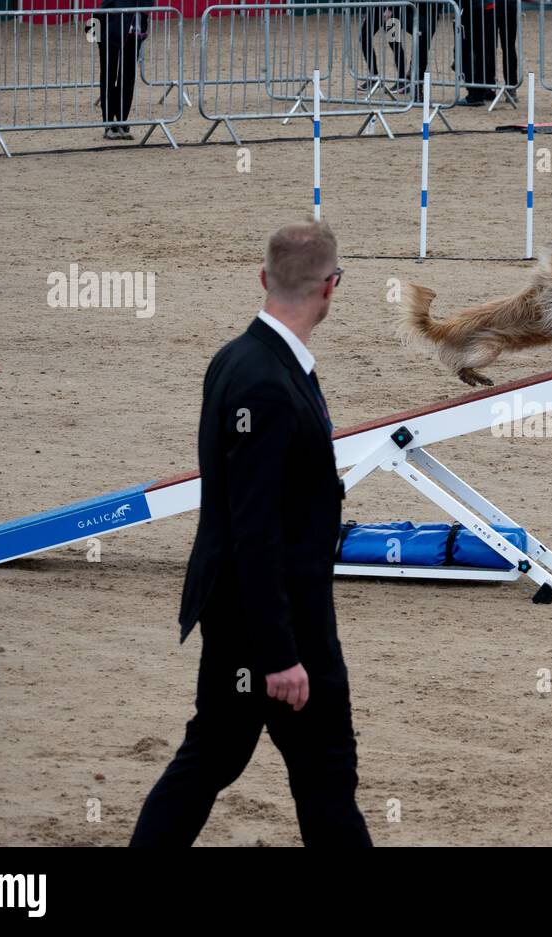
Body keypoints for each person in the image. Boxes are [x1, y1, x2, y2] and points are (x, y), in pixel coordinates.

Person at [129, 221, 370, 847]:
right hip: (276, 621)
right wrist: (280, 655)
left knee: (214, 755)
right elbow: (254, 530)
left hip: (246, 613)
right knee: (323, 772)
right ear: (332, 288)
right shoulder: (266, 382)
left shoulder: (238, 358)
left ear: (265, 278)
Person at [88, 0, 152, 141]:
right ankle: (109, 124)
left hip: (134, 36)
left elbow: (145, 11)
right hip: (110, 35)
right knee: (109, 76)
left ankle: (122, 121)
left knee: (128, 78)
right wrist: (95, 36)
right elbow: (101, 10)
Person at [458, 0, 496, 105]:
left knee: (465, 52)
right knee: (483, 51)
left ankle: (475, 93)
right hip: (486, 8)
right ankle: (485, 88)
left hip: (473, 8)